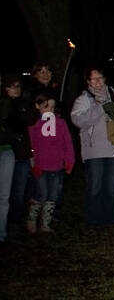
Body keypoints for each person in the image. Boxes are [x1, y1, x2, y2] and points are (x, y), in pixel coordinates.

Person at [69, 67, 114, 228]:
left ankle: (109, 219)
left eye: (100, 78)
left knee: (111, 187)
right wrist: (100, 109)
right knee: (94, 186)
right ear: (88, 81)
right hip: (93, 151)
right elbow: (77, 120)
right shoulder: (84, 99)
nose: (98, 82)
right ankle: (93, 220)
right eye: (94, 79)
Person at [25, 93, 75, 235]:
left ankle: (45, 223)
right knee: (42, 193)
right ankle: (32, 219)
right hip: (41, 166)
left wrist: (69, 160)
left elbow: (67, 143)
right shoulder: (34, 124)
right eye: (46, 106)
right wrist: (34, 163)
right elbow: (32, 145)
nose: (49, 110)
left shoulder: (60, 123)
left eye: (52, 107)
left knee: (53, 194)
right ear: (37, 106)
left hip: (57, 166)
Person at [1, 75, 31, 237]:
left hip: (18, 153)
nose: (16, 89)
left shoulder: (22, 105)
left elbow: (27, 123)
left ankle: (9, 226)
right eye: (12, 86)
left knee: (15, 193)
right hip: (7, 150)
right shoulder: (5, 104)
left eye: (18, 86)